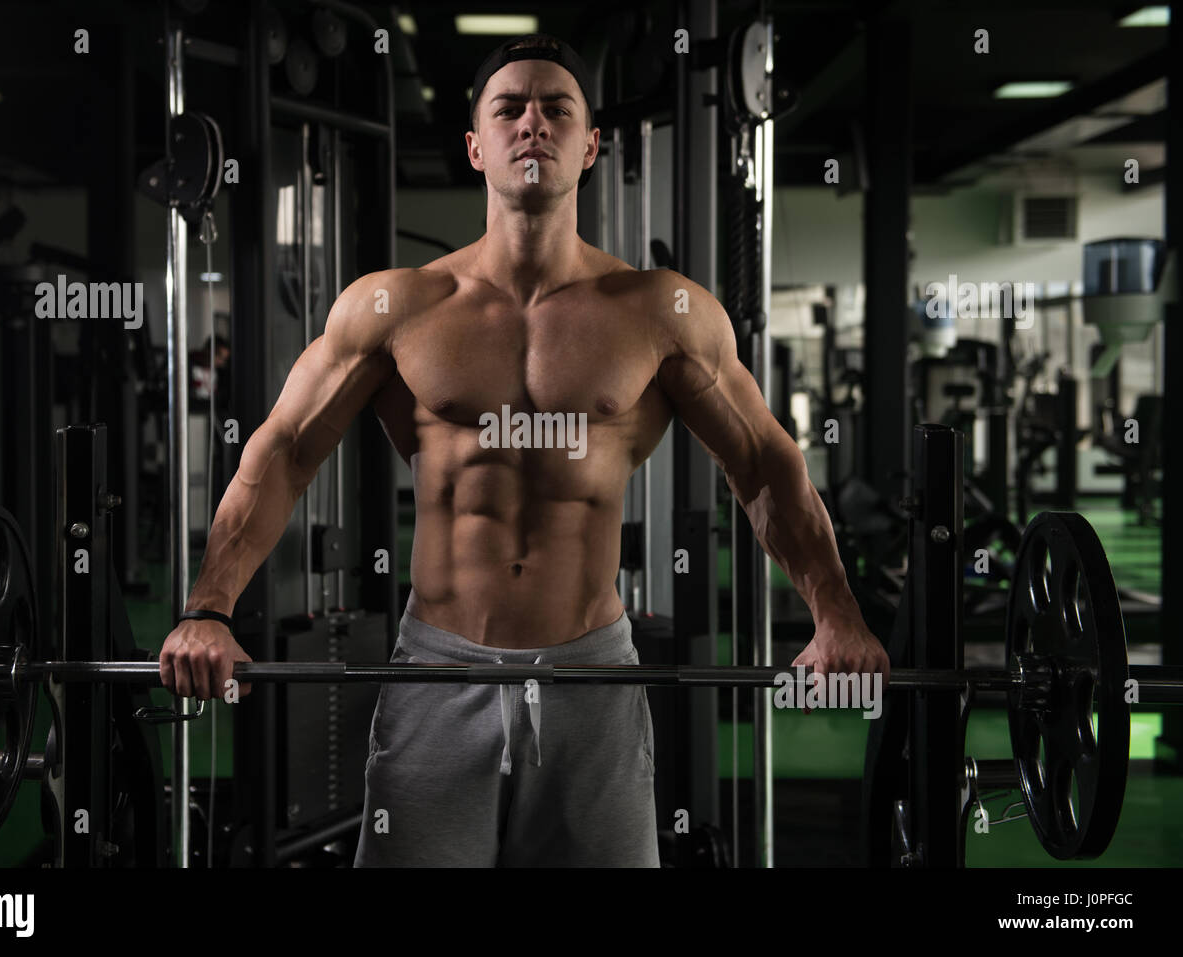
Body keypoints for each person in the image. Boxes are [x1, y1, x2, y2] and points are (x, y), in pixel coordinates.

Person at [159, 33, 890, 867]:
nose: (532, 124)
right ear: (476, 145)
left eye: (557, 108)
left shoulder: (662, 312)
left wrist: (836, 613)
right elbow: (284, 451)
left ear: (592, 145)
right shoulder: (396, 306)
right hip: (438, 673)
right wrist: (207, 608)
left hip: (592, 677)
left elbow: (764, 465)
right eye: (508, 108)